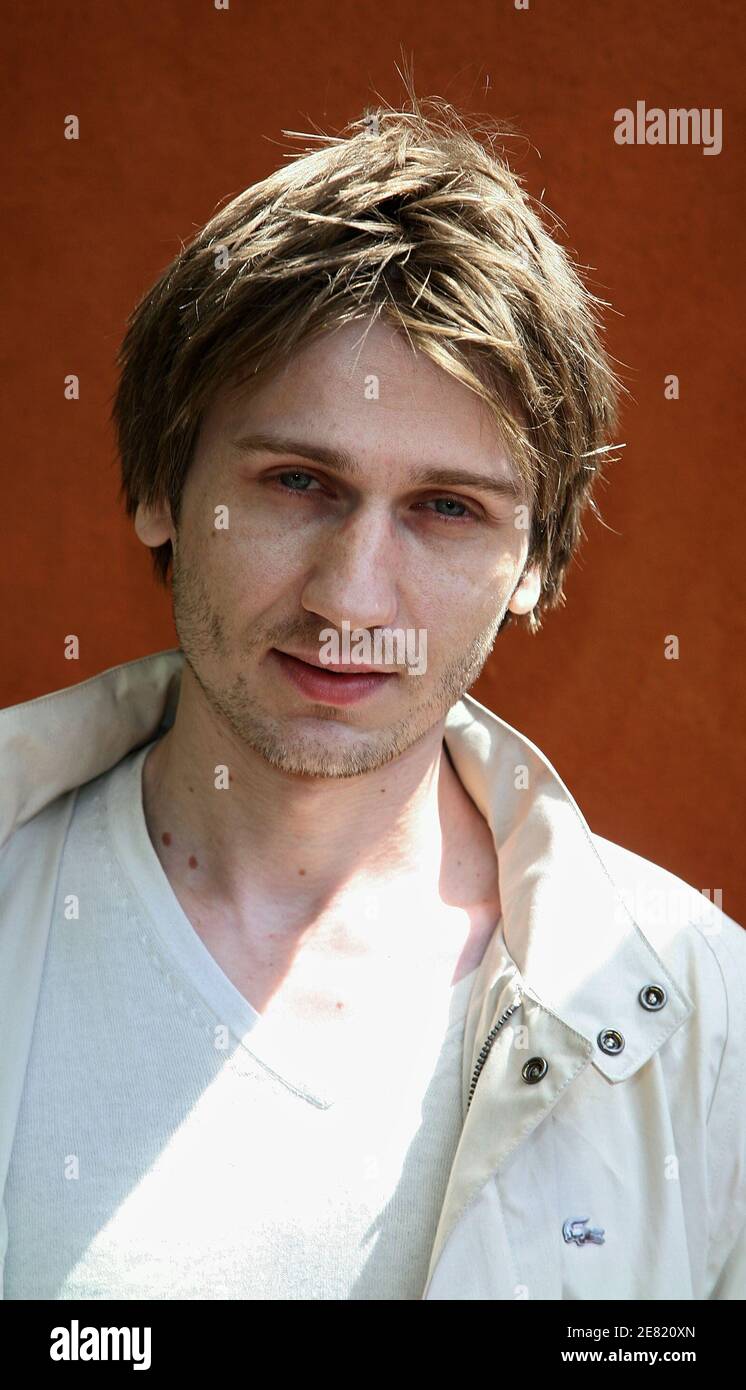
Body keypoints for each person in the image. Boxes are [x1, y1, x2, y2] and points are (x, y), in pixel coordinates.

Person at [1, 89, 744, 1302]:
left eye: (447, 509)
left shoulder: (704, 1027)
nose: (352, 595)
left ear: (536, 564)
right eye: (297, 482)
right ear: (158, 490)